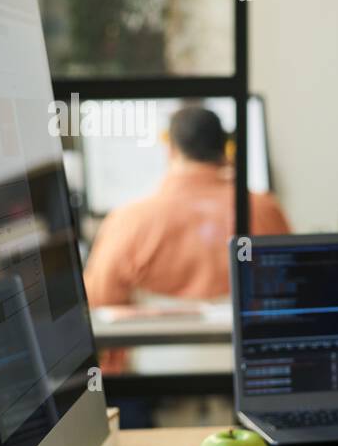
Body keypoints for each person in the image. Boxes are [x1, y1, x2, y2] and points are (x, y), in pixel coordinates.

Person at [84, 106, 291, 307]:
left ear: (171, 150)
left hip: (156, 342)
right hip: (249, 340)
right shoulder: (266, 210)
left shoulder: (130, 220)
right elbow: (294, 282)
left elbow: (97, 301)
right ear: (225, 149)